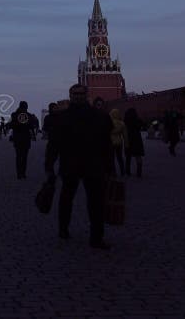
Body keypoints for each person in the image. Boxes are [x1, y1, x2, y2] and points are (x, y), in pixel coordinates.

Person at [45, 84, 113, 250]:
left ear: (86, 95)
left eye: (81, 93)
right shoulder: (63, 118)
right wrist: (49, 165)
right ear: (70, 95)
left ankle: (96, 237)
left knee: (95, 202)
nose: (78, 96)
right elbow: (53, 144)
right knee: (67, 199)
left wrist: (110, 167)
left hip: (93, 165)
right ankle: (63, 229)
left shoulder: (100, 117)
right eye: (75, 94)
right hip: (71, 165)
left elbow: (107, 145)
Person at [9, 101, 34, 179]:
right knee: (25, 156)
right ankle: (23, 173)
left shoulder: (14, 115)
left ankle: (19, 173)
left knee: (18, 156)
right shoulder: (29, 115)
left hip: (18, 137)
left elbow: (11, 125)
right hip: (26, 137)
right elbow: (31, 126)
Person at [124, 108, 145, 177]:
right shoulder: (137, 120)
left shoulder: (126, 120)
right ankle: (139, 172)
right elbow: (142, 125)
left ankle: (127, 171)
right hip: (137, 139)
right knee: (138, 155)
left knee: (128, 156)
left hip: (129, 138)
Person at [109, 109, 128, 176]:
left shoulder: (109, 122)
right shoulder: (122, 123)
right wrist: (126, 144)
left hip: (111, 142)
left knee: (112, 159)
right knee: (120, 158)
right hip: (119, 142)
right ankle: (122, 171)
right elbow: (125, 135)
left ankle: (114, 173)